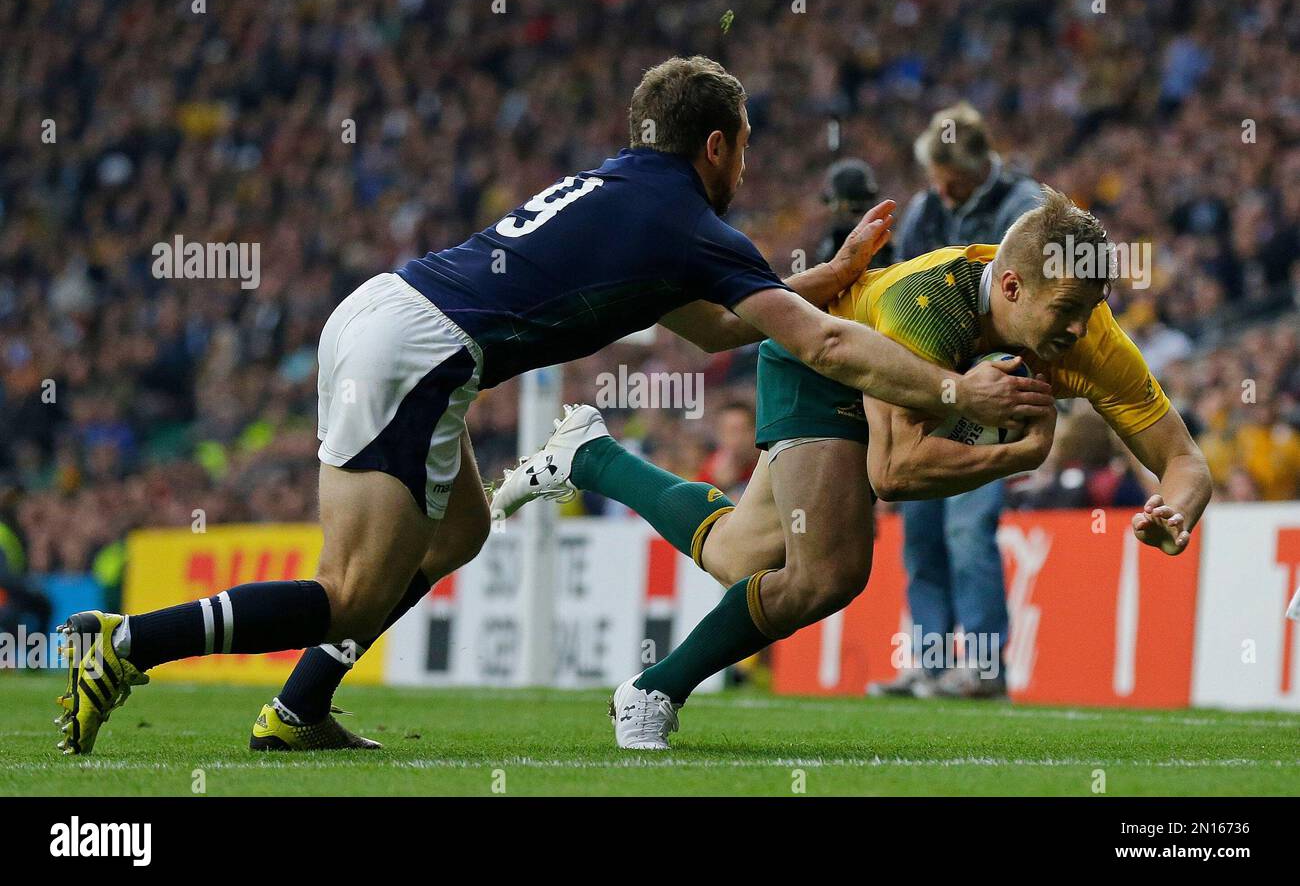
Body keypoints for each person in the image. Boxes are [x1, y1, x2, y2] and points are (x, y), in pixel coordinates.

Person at [54, 56, 1046, 755]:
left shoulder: (632, 192)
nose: (744, 169)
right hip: (422, 351)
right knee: (354, 588)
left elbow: (707, 330)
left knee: (457, 537)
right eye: (743, 149)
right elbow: (824, 343)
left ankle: (299, 708)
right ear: (716, 144)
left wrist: (822, 271)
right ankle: (134, 644)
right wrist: (960, 389)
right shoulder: (688, 219)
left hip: (396, 322)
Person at [492, 188, 1212, 749]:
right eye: (1068, 309)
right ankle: (654, 690)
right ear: (1013, 288)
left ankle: (588, 452)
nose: (1080, 330)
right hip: (821, 363)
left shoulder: (1090, 338)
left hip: (888, 383)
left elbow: (1183, 461)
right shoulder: (929, 305)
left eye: (1093, 309)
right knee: (829, 572)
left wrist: (1175, 508)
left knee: (737, 553)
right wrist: (1018, 457)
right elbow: (894, 471)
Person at [877, 102, 1047, 698]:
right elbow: (900, 300)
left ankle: (981, 666)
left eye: (949, 179)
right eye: (935, 179)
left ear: (976, 166)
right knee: (922, 531)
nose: (940, 190)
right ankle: (927, 661)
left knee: (968, 530)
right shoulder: (926, 209)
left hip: (994, 387)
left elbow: (1033, 309)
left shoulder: (1023, 209)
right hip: (931, 390)